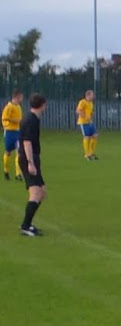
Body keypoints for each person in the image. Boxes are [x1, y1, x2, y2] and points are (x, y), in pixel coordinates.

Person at [18, 93, 47, 235]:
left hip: (32, 158)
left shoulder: (33, 118)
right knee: (36, 193)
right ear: (42, 105)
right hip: (28, 158)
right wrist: (31, 163)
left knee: (42, 193)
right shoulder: (31, 120)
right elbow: (27, 142)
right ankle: (25, 226)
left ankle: (28, 224)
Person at [2, 89, 22, 181]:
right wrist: (14, 121)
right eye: (21, 97)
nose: (21, 98)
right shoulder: (9, 107)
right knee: (8, 152)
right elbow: (5, 118)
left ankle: (18, 174)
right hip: (9, 132)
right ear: (16, 97)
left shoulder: (18, 106)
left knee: (19, 152)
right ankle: (6, 171)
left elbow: (19, 118)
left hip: (17, 132)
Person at [76, 88, 98, 160]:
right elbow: (78, 110)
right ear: (88, 95)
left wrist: (91, 116)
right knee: (87, 137)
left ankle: (91, 153)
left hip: (90, 122)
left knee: (95, 136)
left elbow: (90, 112)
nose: (93, 96)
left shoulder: (91, 103)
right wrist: (85, 117)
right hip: (83, 122)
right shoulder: (82, 102)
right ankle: (87, 154)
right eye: (92, 95)